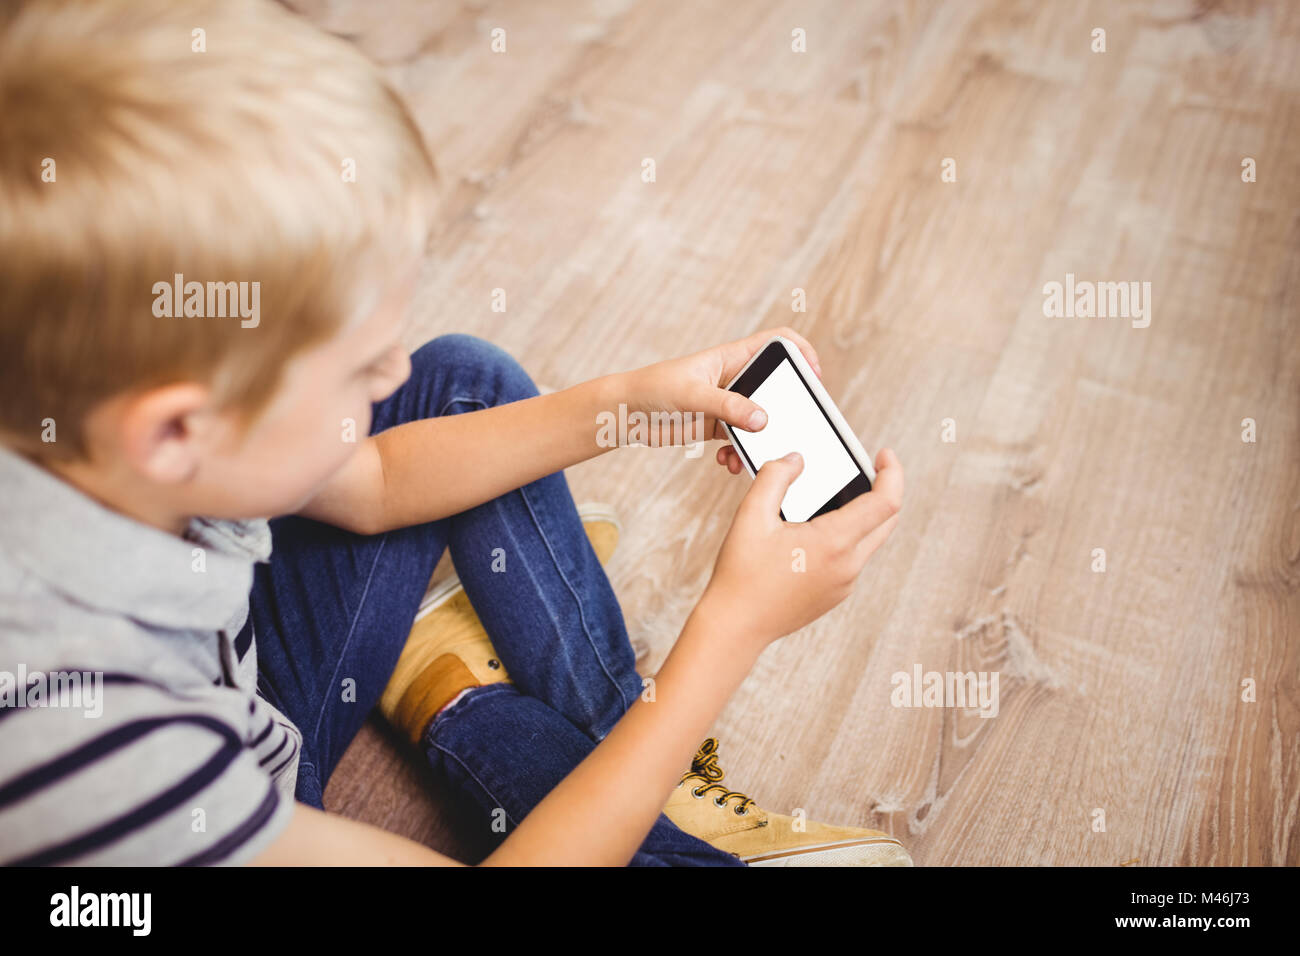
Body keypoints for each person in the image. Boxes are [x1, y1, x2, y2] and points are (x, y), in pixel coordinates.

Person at [0, 0, 907, 866]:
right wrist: (729, 631)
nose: (391, 374)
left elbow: (374, 483)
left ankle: (558, 727)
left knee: (460, 384)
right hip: (243, 794)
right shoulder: (102, 751)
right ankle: (500, 719)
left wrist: (634, 401)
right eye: (359, 369)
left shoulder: (100, 433)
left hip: (231, 689)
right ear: (175, 432)